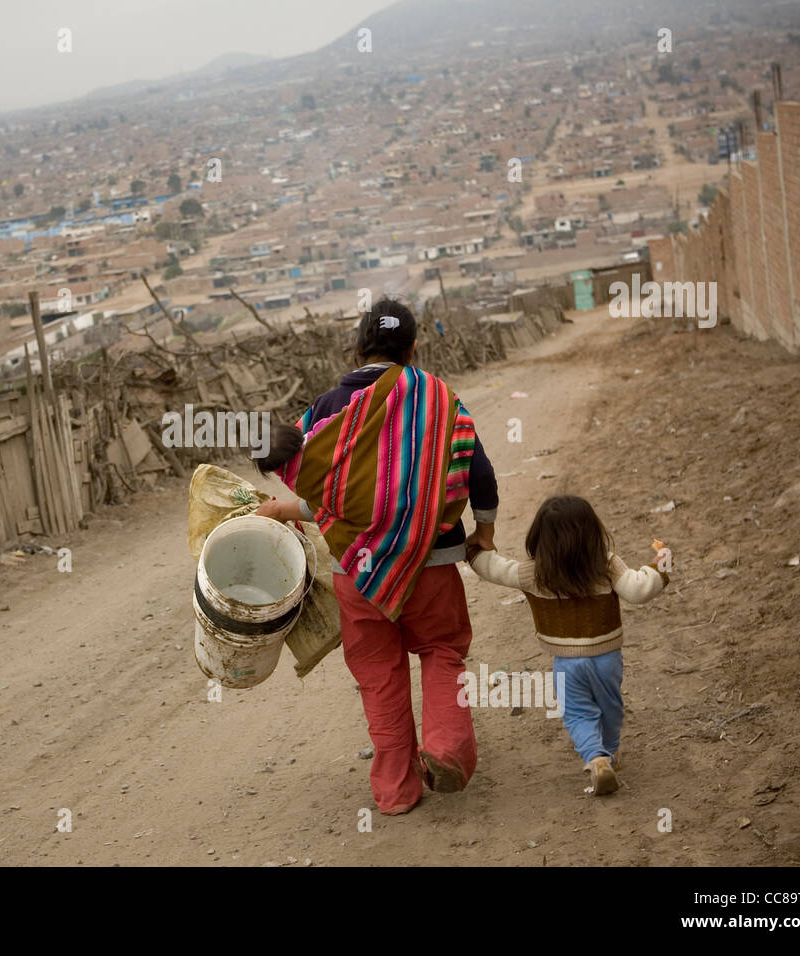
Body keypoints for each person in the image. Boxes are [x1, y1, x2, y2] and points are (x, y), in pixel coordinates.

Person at [255, 297, 498, 815]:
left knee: (379, 672)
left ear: (358, 346)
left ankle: (394, 790)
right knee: (441, 651)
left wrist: (282, 508)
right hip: (431, 565)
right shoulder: (439, 399)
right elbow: (480, 473)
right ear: (413, 347)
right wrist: (485, 533)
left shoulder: (322, 409)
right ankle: (446, 748)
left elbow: (325, 493)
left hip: (357, 573)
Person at [465, 495, 669, 795]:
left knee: (577, 713)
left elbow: (494, 568)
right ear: (592, 533)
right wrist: (662, 562)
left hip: (566, 663)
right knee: (610, 707)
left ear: (539, 538)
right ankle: (609, 752)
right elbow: (639, 589)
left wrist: (471, 548)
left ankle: (596, 758)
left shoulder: (534, 573)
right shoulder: (606, 565)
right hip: (606, 658)